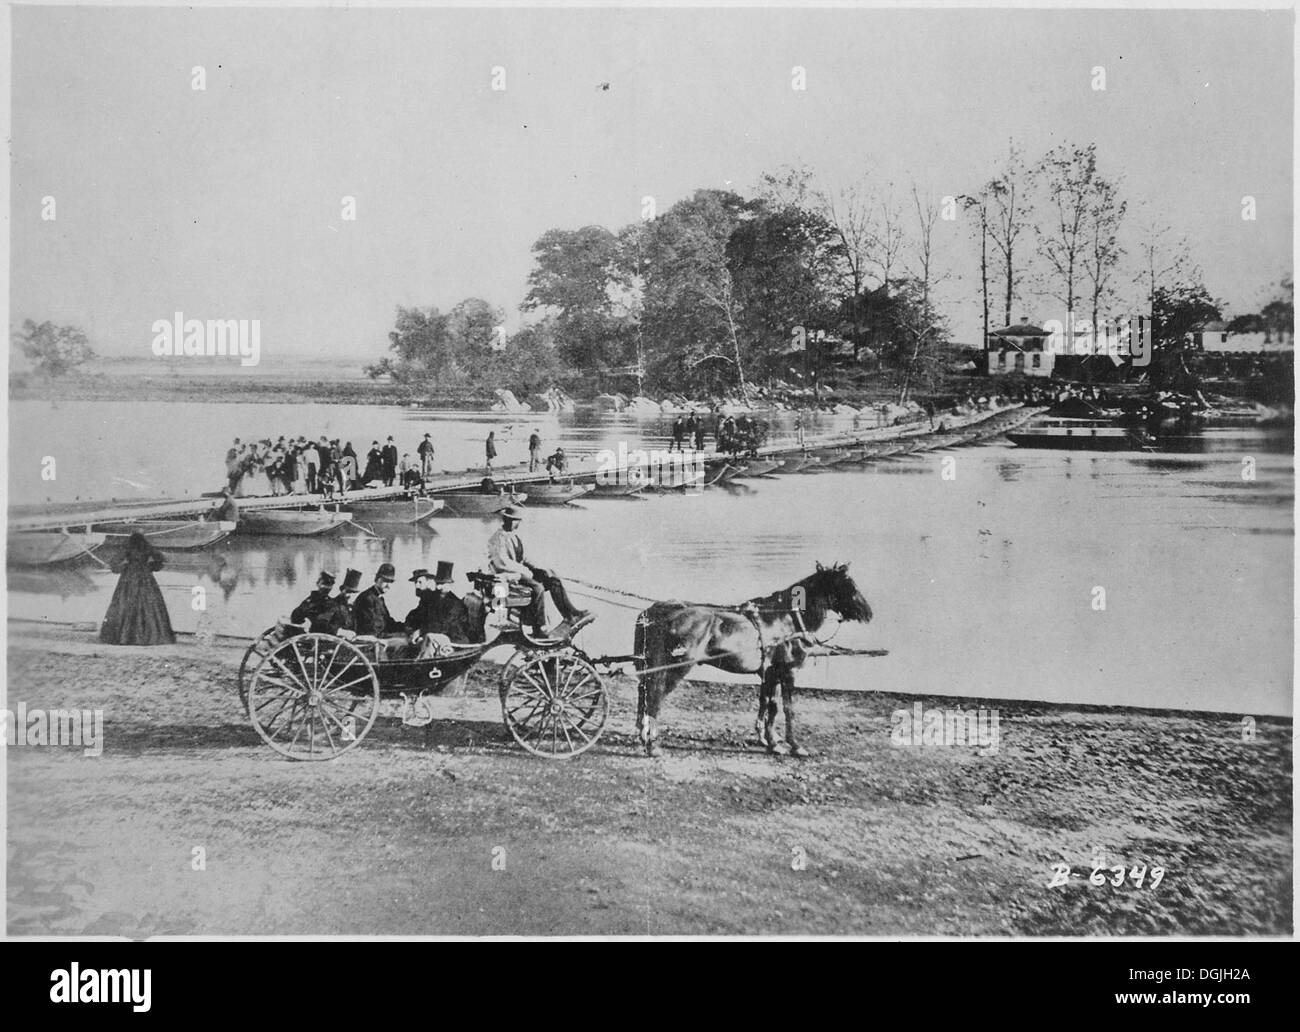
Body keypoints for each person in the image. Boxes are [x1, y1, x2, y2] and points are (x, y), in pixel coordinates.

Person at [486, 506, 589, 636]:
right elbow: (502, 562)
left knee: (553, 580)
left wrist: (542, 568)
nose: (518, 524)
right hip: (507, 575)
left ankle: (571, 614)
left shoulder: (514, 536)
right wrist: (525, 570)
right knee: (538, 588)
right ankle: (539, 627)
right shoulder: (497, 538)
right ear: (509, 520)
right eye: (516, 521)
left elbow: (525, 558)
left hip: (520, 572)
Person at [99, 532, 176, 645]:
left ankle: (125, 637)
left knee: (125, 603)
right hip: (146, 576)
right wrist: (149, 567)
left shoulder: (127, 547)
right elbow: (160, 560)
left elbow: (114, 563)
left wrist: (125, 567)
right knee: (149, 605)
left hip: (129, 577)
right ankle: (150, 635)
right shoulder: (148, 547)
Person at [316, 569, 362, 637]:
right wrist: (339, 631)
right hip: (332, 643)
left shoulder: (351, 608)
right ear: (342, 591)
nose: (350, 595)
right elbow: (320, 625)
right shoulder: (332, 605)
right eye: (348, 592)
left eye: (353, 593)